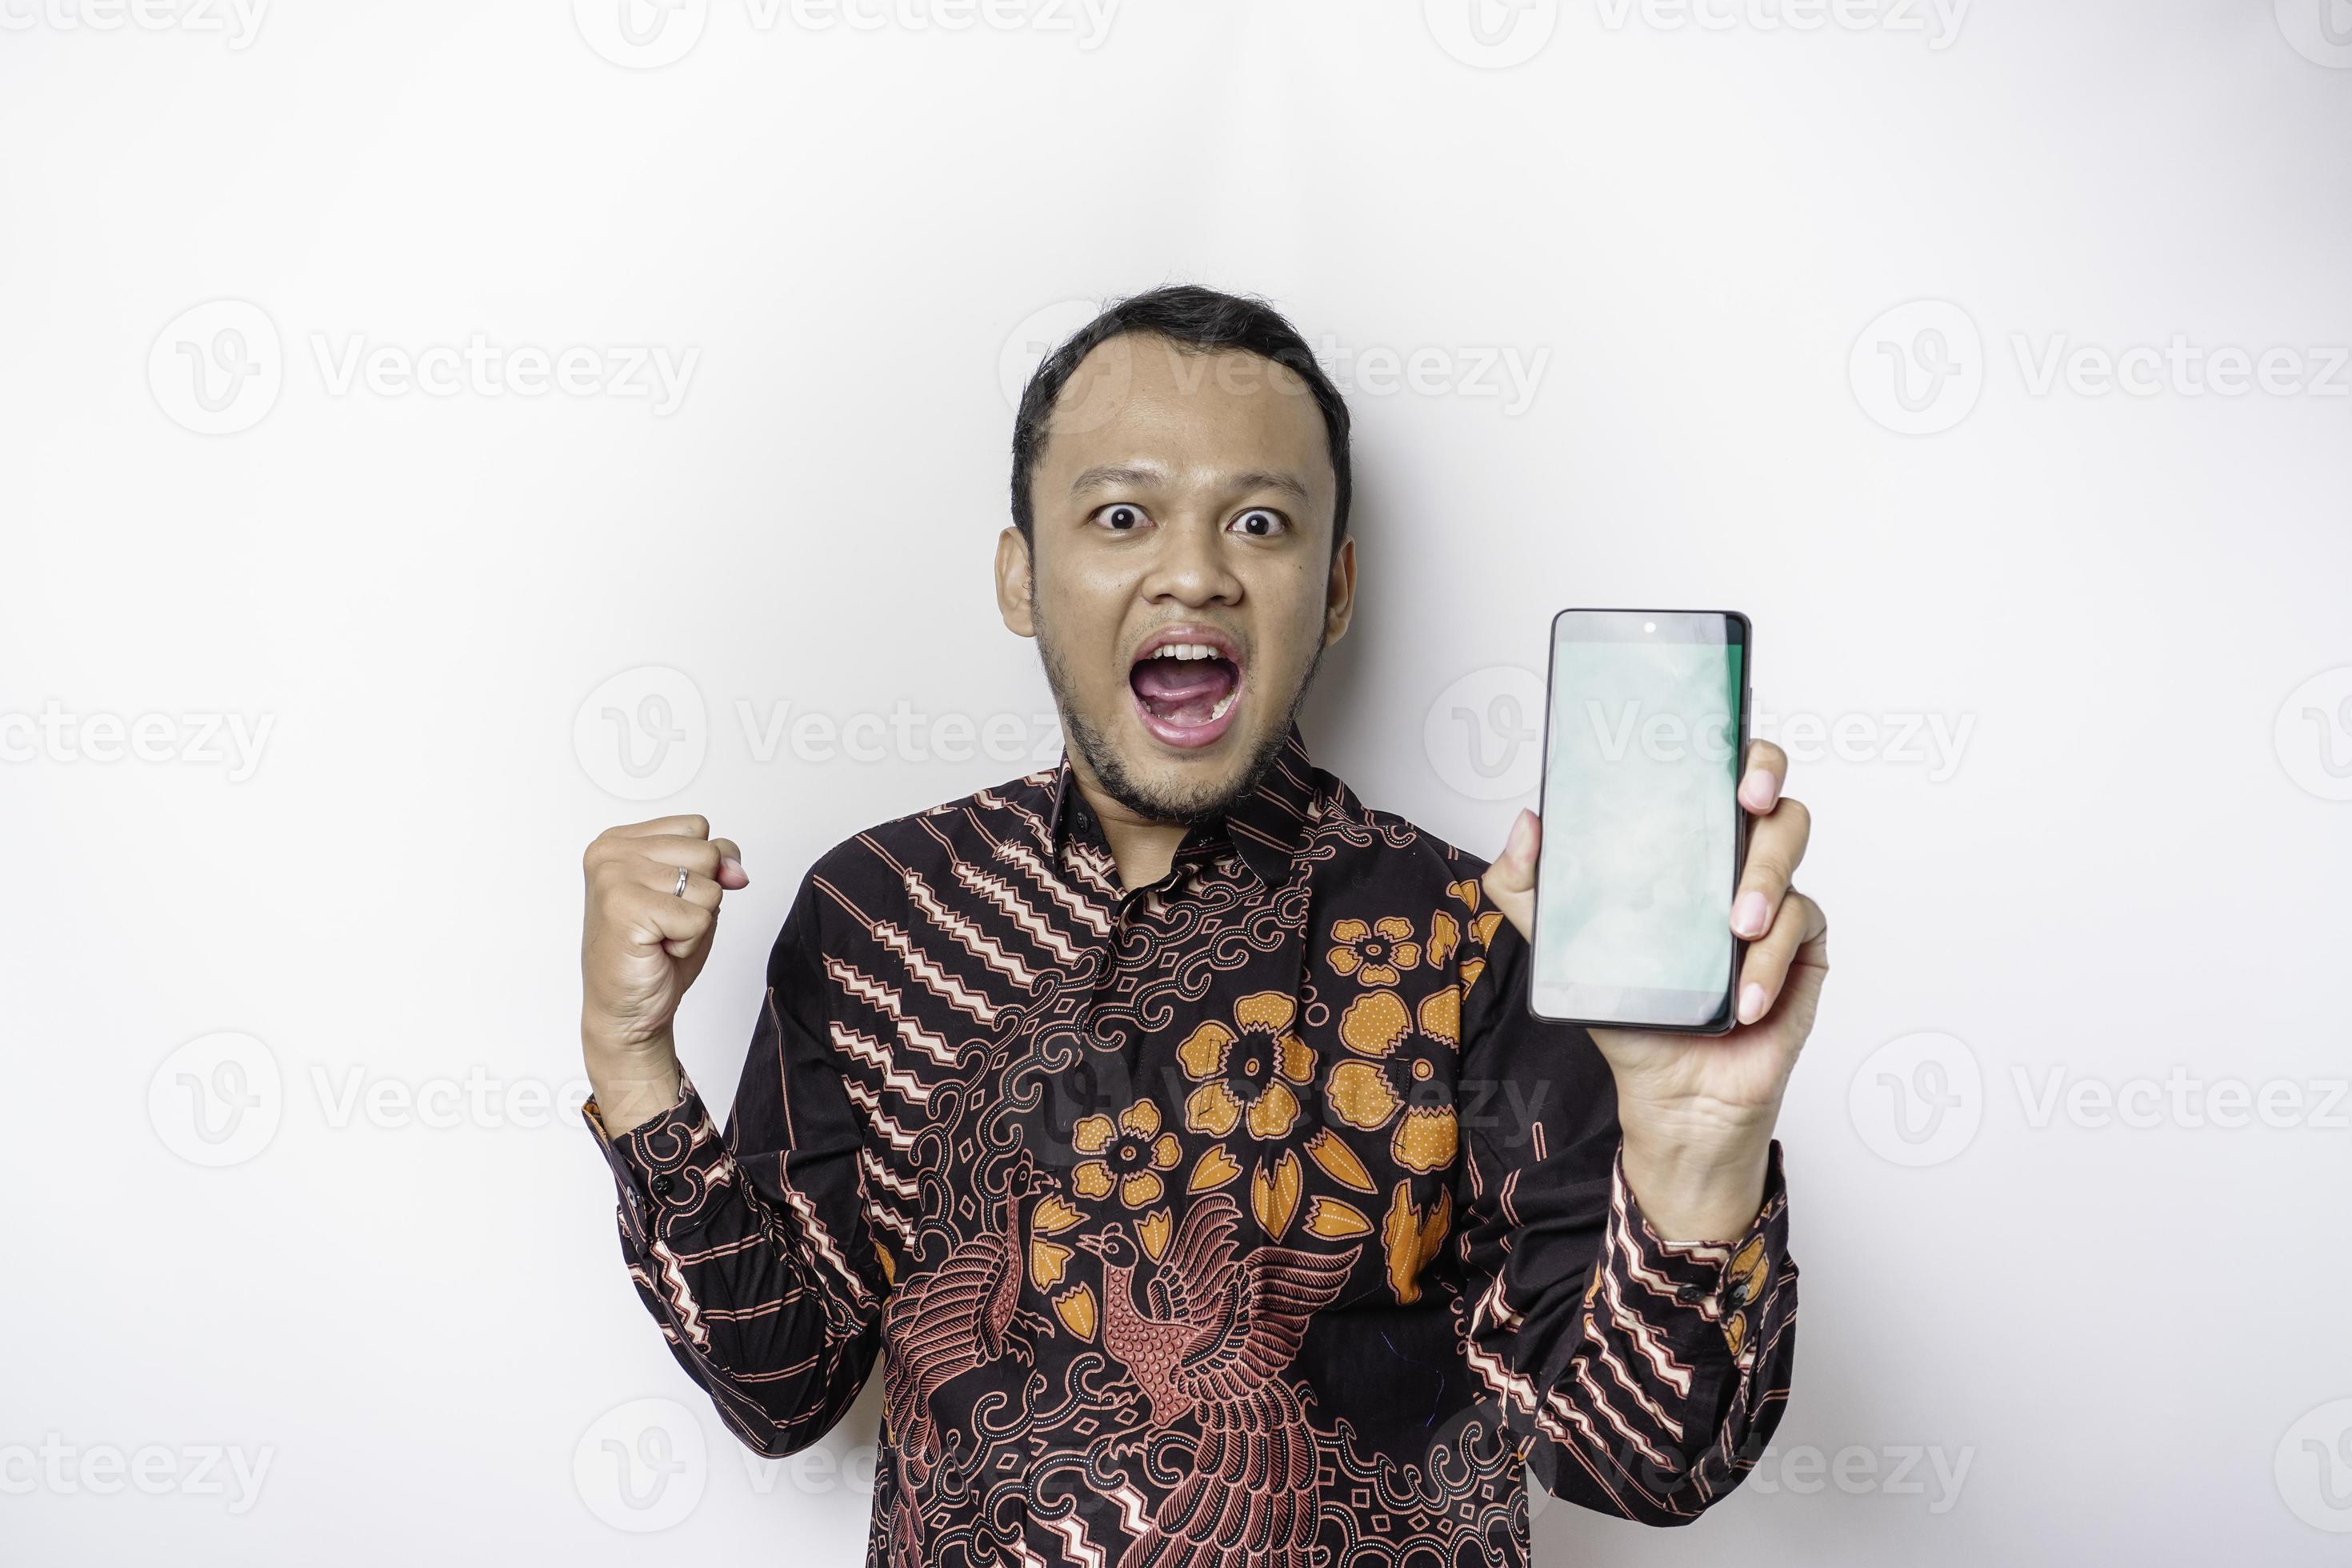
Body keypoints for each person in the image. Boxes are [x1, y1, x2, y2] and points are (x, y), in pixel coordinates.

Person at [576, 286, 1827, 1566]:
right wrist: (632, 1065)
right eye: (1123, 516)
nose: (1194, 573)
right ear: (1022, 575)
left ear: (1335, 590)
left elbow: (1633, 1460)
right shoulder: (878, 914)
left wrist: (1698, 1161)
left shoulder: (1479, 938)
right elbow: (784, 1389)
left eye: (1260, 522)